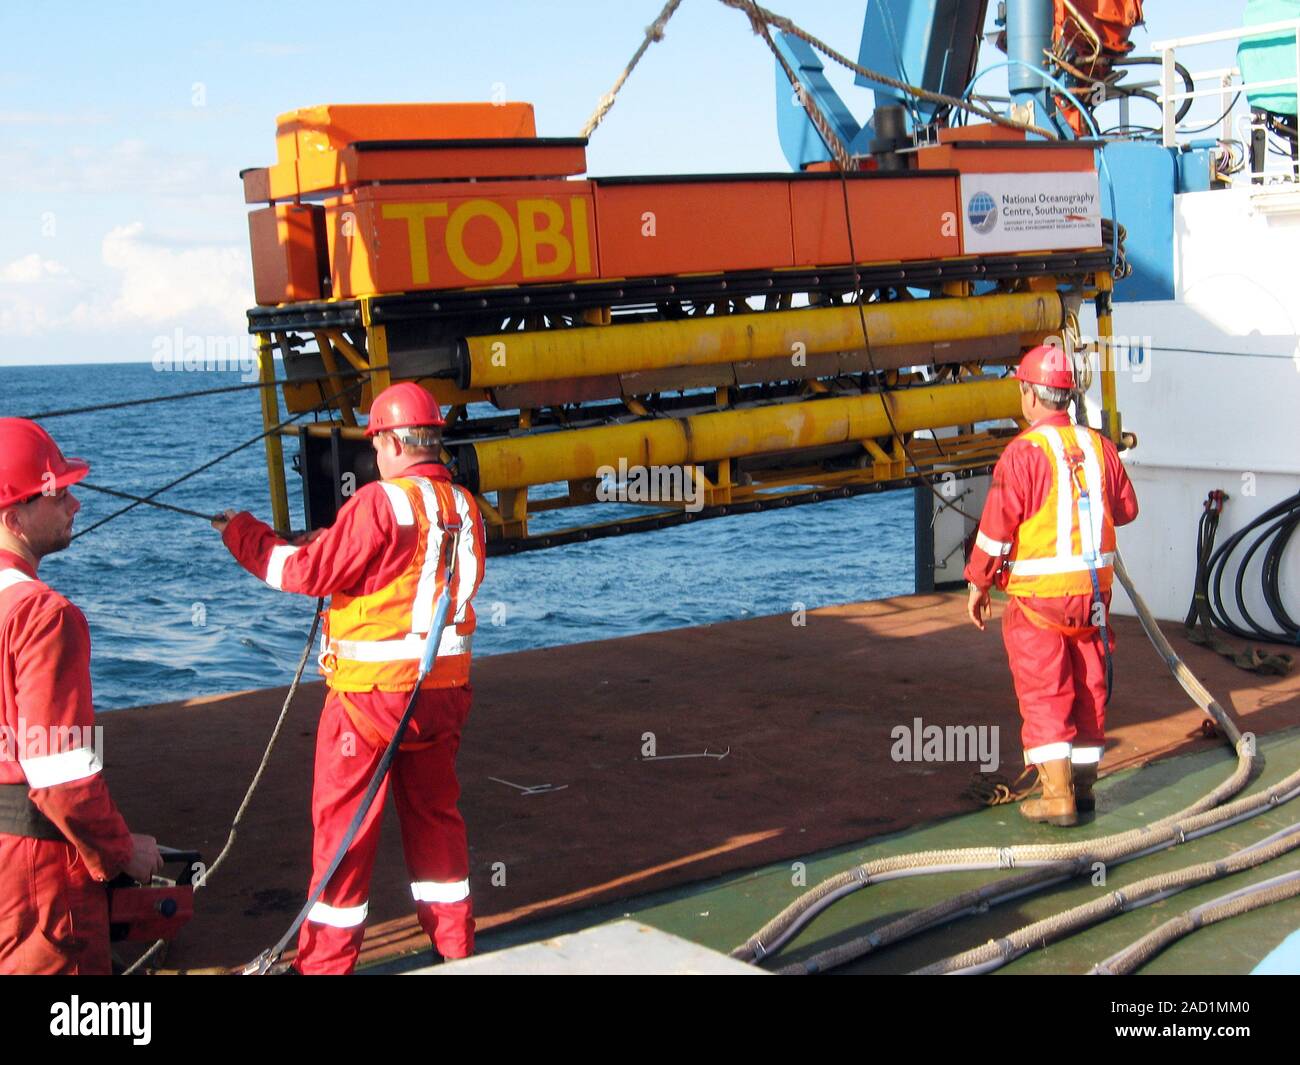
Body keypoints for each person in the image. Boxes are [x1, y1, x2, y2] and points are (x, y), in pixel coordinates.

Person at [213, 382, 486, 974]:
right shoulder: (463, 507)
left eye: (377, 443)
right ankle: (457, 948)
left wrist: (243, 534)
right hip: (440, 698)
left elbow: (303, 573)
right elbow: (409, 575)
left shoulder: (377, 503)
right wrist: (339, 548)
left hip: (370, 703)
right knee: (437, 821)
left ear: (388, 440)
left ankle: (325, 965)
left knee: (343, 838)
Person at [0, 418, 163, 975]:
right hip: (35, 874)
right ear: (13, 518)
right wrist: (123, 853)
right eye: (58, 493)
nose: (74, 505)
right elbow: (63, 782)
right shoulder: (44, 617)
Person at [964, 346, 1139, 826]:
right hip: (1094, 601)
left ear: (1028, 394)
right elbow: (1126, 510)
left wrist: (979, 583)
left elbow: (996, 530)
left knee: (1045, 692)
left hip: (1039, 604)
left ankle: (1057, 797)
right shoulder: (1100, 447)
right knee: (1089, 686)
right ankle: (1083, 791)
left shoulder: (1021, 454)